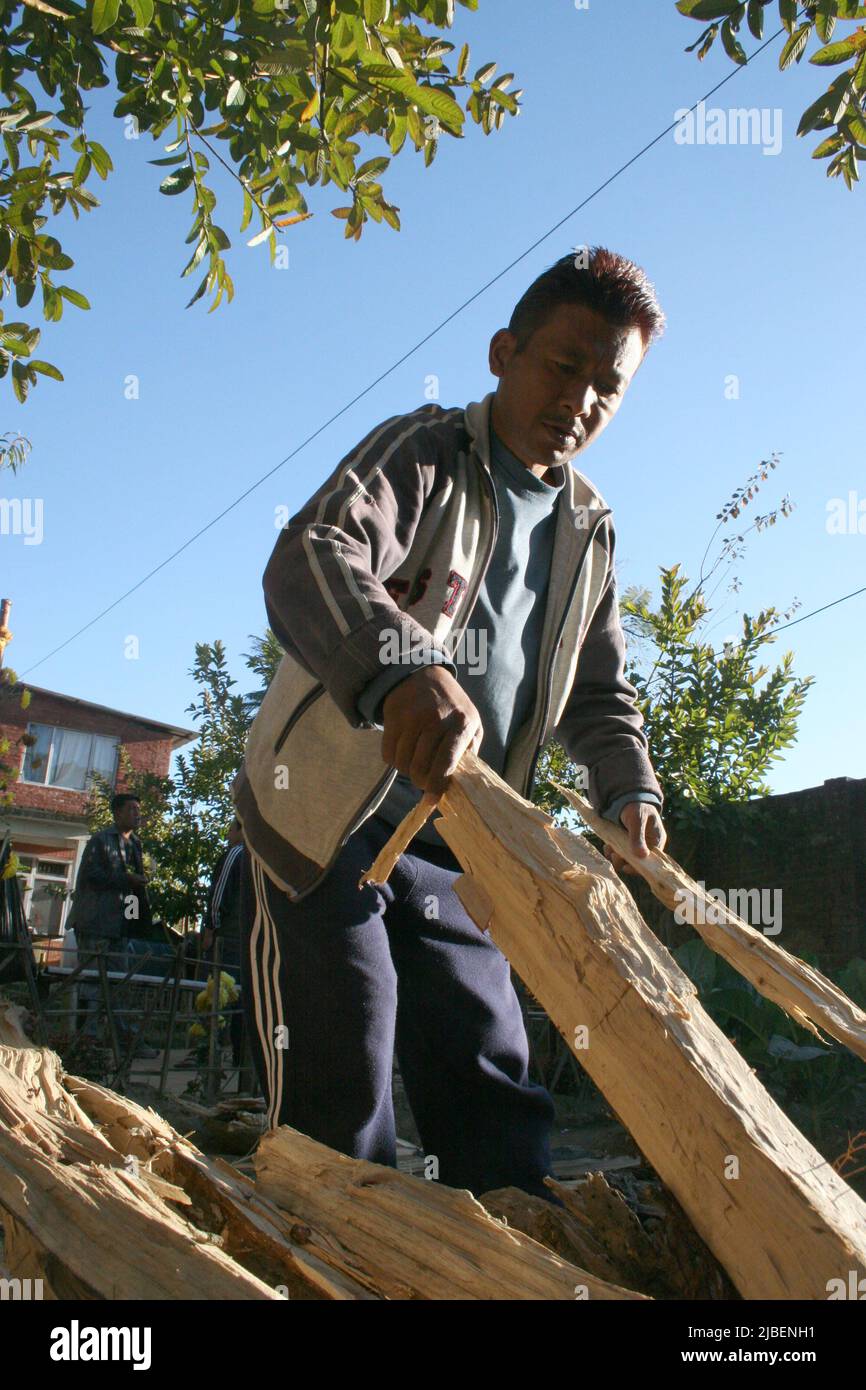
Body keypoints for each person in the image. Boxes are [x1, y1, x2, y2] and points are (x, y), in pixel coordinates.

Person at [234, 247, 668, 1200]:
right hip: (325, 824)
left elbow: (599, 694)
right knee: (342, 1079)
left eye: (609, 385)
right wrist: (403, 670)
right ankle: (324, 1249)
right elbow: (309, 552)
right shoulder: (425, 452)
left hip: (458, 841)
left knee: (492, 1081)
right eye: (563, 366)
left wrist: (629, 783)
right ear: (503, 352)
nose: (582, 400)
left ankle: (519, 1258)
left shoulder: (589, 533)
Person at [69, 792, 158, 1060]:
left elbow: (131, 892)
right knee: (95, 985)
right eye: (132, 809)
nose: (137, 813)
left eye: (138, 809)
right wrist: (126, 878)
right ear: (117, 813)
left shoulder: (136, 845)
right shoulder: (101, 840)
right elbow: (90, 876)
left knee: (122, 985)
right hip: (96, 923)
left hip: (121, 926)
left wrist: (134, 918)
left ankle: (124, 1039)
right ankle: (88, 1043)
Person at [202, 819, 245, 1065]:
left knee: (216, 992)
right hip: (249, 940)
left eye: (230, 830)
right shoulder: (261, 856)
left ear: (241, 830)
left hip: (227, 938)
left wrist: (210, 927)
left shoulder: (236, 854)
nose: (228, 835)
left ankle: (208, 1053)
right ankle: (240, 1058)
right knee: (241, 997)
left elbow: (220, 895)